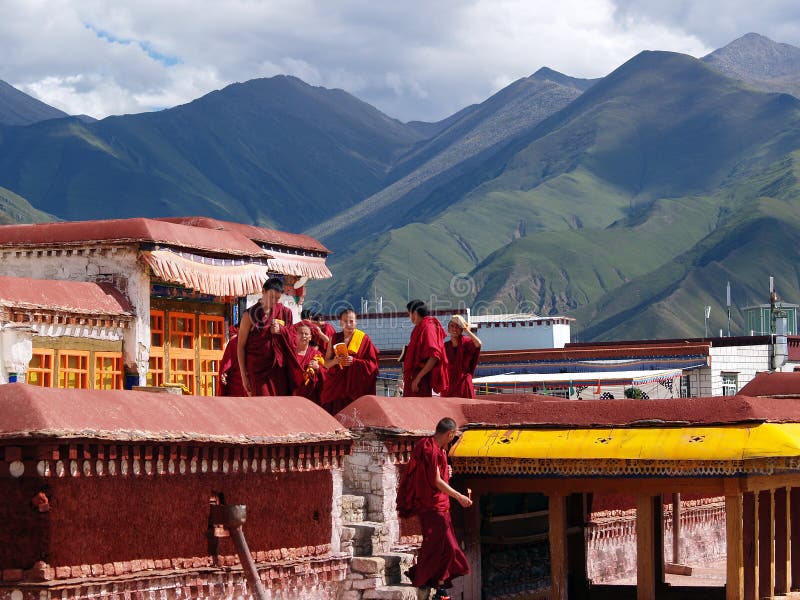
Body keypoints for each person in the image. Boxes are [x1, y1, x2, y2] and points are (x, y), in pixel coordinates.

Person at [400, 417, 472, 596]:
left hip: (440, 506)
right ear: (449, 434)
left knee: (447, 547)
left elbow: (438, 474)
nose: (452, 441)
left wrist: (447, 470)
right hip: (431, 506)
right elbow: (436, 481)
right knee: (437, 545)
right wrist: (459, 496)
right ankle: (420, 577)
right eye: (452, 437)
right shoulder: (429, 450)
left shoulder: (435, 448)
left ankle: (439, 582)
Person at [237, 277, 294, 396]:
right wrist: (243, 375)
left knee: (280, 407)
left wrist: (282, 330)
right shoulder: (249, 315)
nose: (274, 301)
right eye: (271, 297)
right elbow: (241, 346)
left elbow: (293, 339)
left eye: (277, 298)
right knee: (262, 406)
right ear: (263, 291)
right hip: (257, 370)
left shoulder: (285, 312)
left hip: (278, 369)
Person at [319, 308, 379, 414]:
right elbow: (326, 363)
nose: (348, 324)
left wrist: (355, 361)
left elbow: (372, 365)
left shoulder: (363, 339)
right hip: (337, 386)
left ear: (356, 322)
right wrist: (335, 361)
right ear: (340, 322)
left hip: (356, 386)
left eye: (351, 321)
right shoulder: (334, 338)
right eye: (345, 321)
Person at [403, 300, 448, 397]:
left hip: (421, 380)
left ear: (414, 313)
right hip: (414, 376)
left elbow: (434, 356)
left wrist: (418, 378)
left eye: (409, 314)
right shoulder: (419, 327)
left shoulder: (428, 328)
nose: (409, 317)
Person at [442, 315, 482, 399]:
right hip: (449, 383)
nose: (454, 329)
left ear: (461, 330)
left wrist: (467, 330)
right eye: (452, 326)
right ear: (448, 329)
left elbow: (478, 343)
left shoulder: (467, 343)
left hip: (464, 382)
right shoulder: (445, 346)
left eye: (457, 326)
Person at [288, 320, 325, 403]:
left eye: (306, 334)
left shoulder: (316, 354)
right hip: (291, 394)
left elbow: (326, 373)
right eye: (301, 333)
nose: (304, 336)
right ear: (296, 335)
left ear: (310, 337)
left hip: (311, 396)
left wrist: (318, 368)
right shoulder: (290, 353)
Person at [218, 325, 246, 396]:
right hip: (237, 382)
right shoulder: (233, 342)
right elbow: (227, 362)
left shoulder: (253, 341)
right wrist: (224, 373)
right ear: (238, 329)